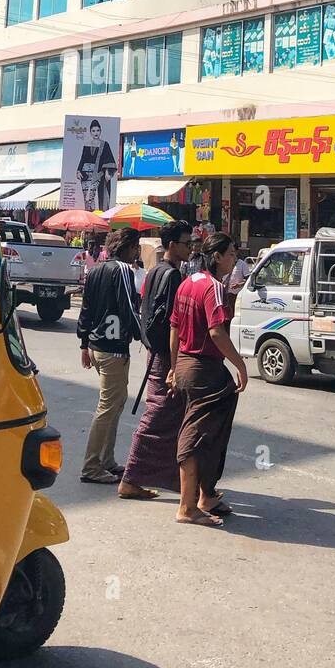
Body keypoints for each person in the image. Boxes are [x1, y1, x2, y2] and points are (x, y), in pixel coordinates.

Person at [169, 232, 248, 527]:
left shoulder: (187, 283)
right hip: (203, 367)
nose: (234, 259)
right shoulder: (213, 287)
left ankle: (207, 494)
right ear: (216, 256)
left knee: (212, 430)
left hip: (189, 365)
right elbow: (216, 332)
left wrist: (174, 367)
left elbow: (174, 329)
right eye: (231, 254)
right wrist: (240, 364)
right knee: (196, 435)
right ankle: (187, 507)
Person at [119, 221, 192, 501]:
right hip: (165, 355)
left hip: (156, 351)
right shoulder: (171, 275)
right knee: (159, 414)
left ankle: (173, 478)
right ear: (172, 245)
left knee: (171, 415)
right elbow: (174, 325)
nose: (191, 248)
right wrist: (174, 365)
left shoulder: (155, 271)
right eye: (187, 243)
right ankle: (131, 478)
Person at [78, 227, 142, 483]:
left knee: (116, 403)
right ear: (129, 247)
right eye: (136, 247)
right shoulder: (123, 270)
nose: (137, 252)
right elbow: (128, 307)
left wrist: (84, 344)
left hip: (97, 346)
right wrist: (144, 337)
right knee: (108, 407)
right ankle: (92, 466)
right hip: (113, 348)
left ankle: (106, 459)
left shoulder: (95, 270)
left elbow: (85, 310)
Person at [76, 120, 118, 212]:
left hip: (99, 173)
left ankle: (101, 215)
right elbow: (83, 158)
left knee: (98, 194)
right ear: (90, 132)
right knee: (87, 197)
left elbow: (108, 158)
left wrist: (107, 172)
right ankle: (89, 215)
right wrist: (78, 171)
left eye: (98, 130)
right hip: (86, 173)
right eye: (93, 131)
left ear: (100, 131)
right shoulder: (86, 144)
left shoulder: (105, 144)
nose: (96, 133)